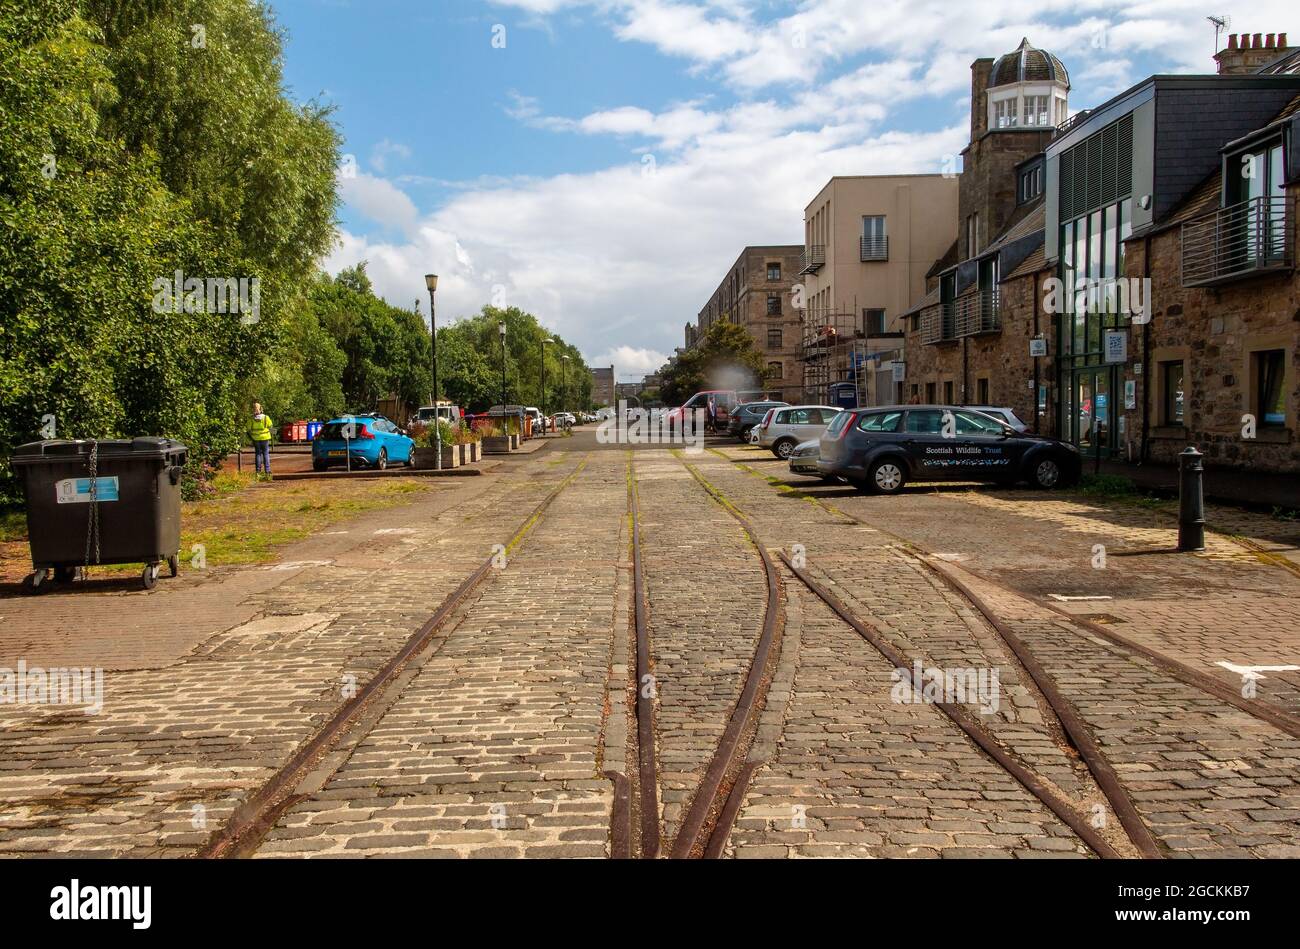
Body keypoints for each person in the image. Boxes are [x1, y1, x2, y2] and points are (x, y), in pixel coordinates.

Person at [248, 402, 274, 479]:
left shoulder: (251, 419)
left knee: (258, 454)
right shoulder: (266, 417)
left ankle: (258, 472)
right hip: (265, 438)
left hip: (256, 438)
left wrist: (252, 436)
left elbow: (248, 429)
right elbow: (270, 426)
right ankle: (267, 471)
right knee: (266, 454)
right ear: (261, 408)